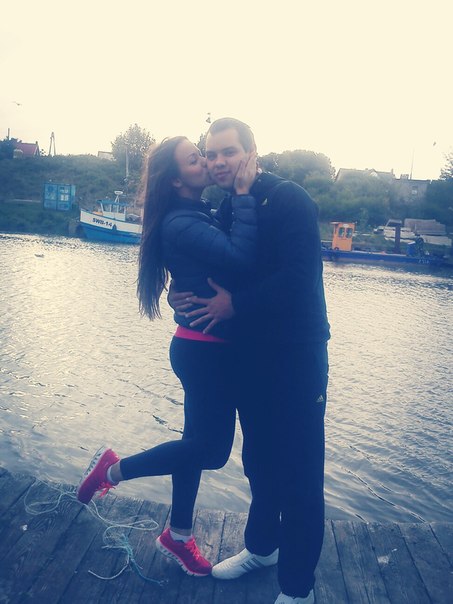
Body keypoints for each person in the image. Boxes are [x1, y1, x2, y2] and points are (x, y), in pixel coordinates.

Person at [76, 135, 258, 577]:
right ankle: (113, 471)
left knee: (193, 448)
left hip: (205, 347)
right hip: (205, 351)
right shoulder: (181, 222)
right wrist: (243, 196)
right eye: (196, 160)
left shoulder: (196, 213)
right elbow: (240, 258)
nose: (207, 163)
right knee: (211, 452)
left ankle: (178, 535)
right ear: (176, 180)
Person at [173, 118, 330, 603]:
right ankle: (262, 548)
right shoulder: (228, 206)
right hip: (249, 356)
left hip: (297, 356)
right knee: (259, 462)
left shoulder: (289, 199)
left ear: (251, 152)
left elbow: (299, 277)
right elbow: (220, 266)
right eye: (211, 153)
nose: (218, 162)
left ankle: (298, 589)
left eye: (229, 151)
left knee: (301, 472)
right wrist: (181, 293)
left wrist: (236, 305)